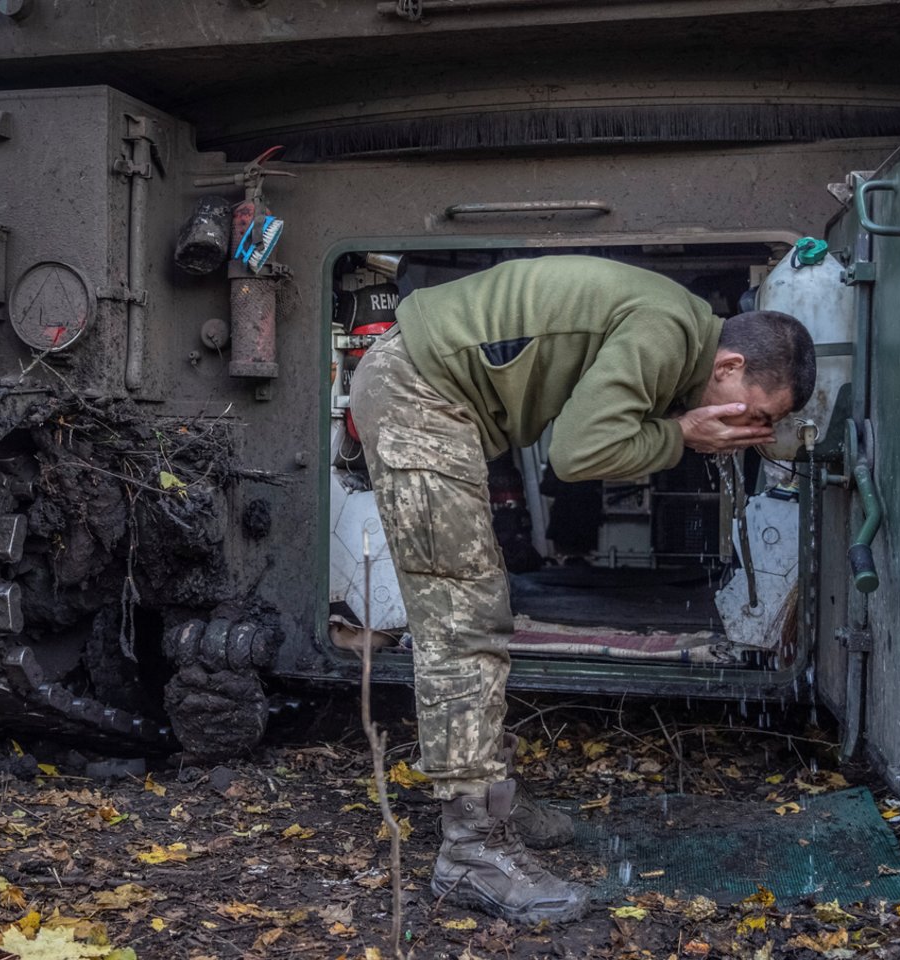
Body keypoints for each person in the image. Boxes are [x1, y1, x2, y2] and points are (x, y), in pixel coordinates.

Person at [348, 254, 816, 924]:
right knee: (463, 616)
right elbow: (578, 453)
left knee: (481, 608)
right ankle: (472, 851)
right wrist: (683, 433)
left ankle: (492, 793)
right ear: (731, 367)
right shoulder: (666, 332)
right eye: (752, 413)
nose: (744, 429)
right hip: (417, 389)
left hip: (433, 388)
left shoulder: (680, 334)